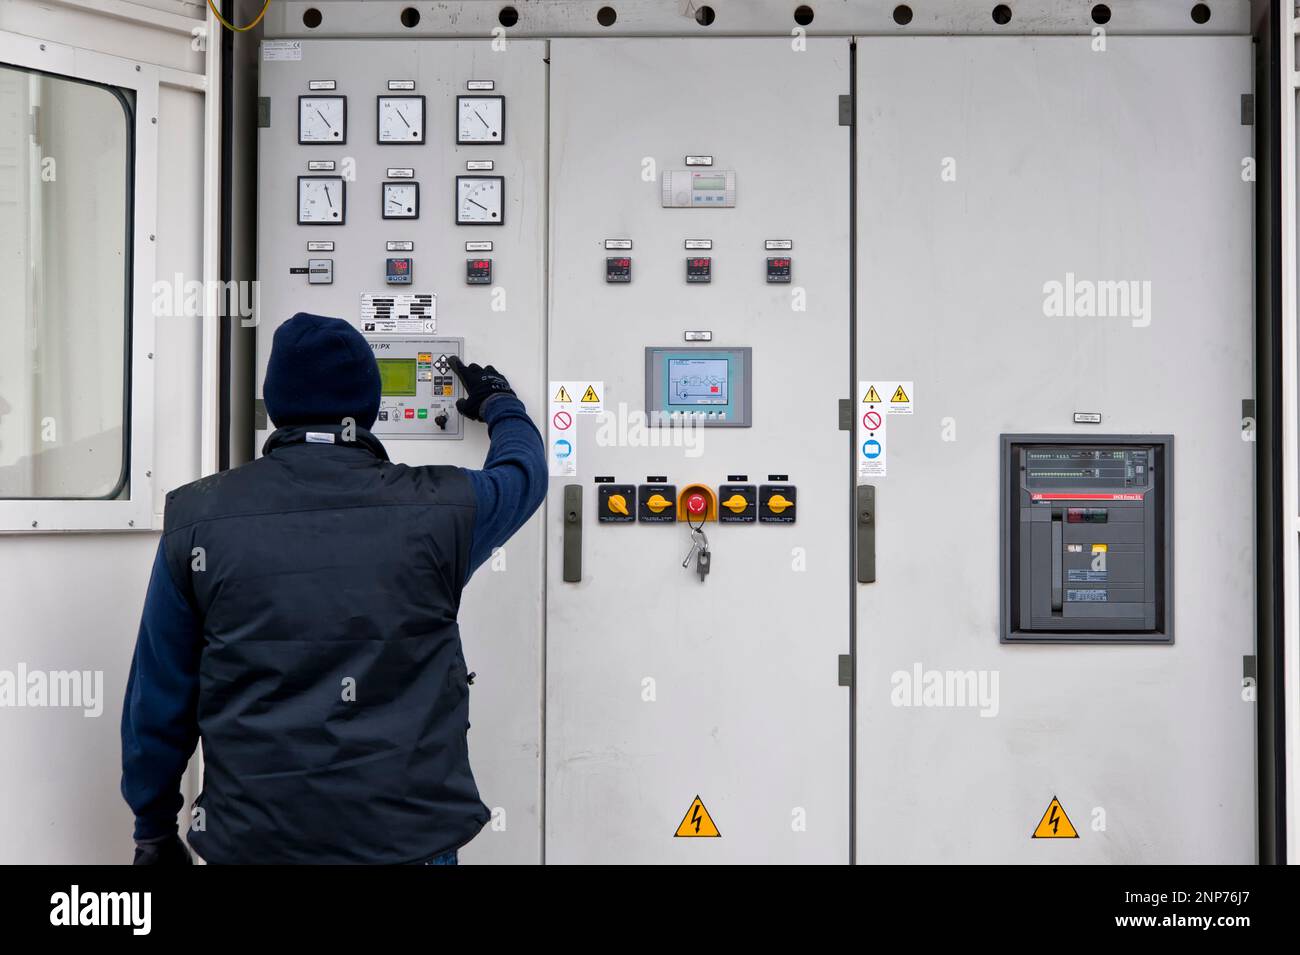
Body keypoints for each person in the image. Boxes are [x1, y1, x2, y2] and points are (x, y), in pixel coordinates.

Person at [120, 312, 546, 865]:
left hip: (255, 842)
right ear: (368, 407)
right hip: (407, 842)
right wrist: (499, 404)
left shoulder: (196, 516)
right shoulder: (444, 510)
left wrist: (152, 827)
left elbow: (159, 695)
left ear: (275, 405)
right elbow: (525, 471)